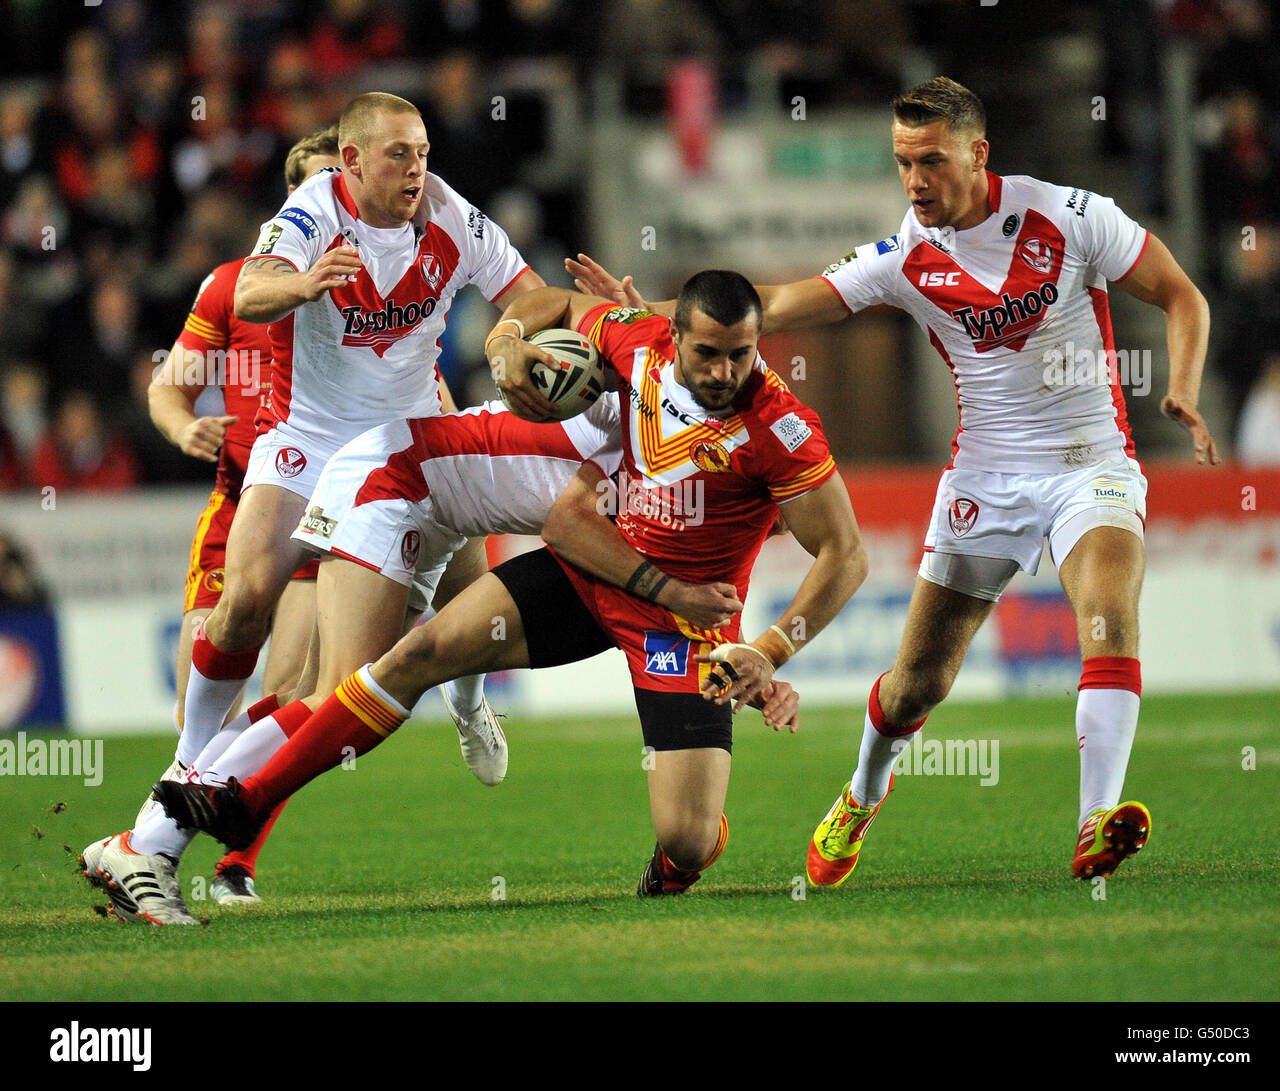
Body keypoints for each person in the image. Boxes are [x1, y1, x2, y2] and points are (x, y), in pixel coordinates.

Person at [556, 77, 1220, 884]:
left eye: (930, 161)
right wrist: (657, 316)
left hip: (1093, 462)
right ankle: (862, 795)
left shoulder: (1073, 216)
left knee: (1108, 618)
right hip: (986, 477)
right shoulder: (906, 256)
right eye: (903, 162)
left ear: (978, 155)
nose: (914, 180)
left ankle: (1094, 823)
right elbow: (772, 301)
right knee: (916, 685)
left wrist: (1180, 383)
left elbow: (1181, 293)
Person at [154, 271, 867, 900]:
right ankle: (249, 798)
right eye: (707, 352)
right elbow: (553, 302)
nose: (722, 370)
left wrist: (771, 649)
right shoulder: (634, 340)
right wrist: (507, 345)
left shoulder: (782, 430)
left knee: (686, 835)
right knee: (416, 653)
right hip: (595, 574)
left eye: (740, 353)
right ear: (673, 334)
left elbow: (844, 555)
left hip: (679, 631)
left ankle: (679, 863)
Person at [174, 90, 547, 813]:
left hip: (405, 442)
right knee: (246, 598)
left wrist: (506, 335)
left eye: (424, 152)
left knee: (471, 594)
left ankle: (469, 704)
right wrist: (302, 282)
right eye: (398, 154)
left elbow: (531, 292)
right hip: (309, 439)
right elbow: (248, 294)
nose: (417, 170)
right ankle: (189, 761)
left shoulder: (450, 213)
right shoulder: (314, 209)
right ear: (350, 160)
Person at [92, 127, 341, 908]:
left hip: (320, 519)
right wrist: (181, 426)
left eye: (340, 183)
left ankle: (212, 859)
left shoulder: (374, 294)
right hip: (238, 508)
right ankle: (151, 842)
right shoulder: (233, 286)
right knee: (203, 721)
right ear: (288, 203)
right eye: (312, 186)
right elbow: (170, 384)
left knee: (299, 692)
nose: (329, 201)